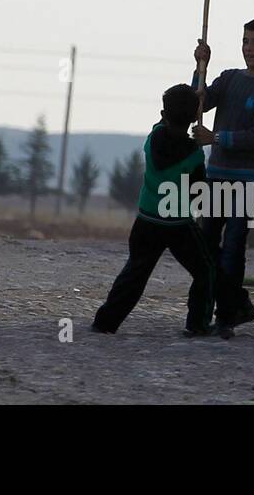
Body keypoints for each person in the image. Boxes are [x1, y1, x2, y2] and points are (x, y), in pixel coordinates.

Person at [91, 84, 216, 337]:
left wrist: (196, 79)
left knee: (134, 274)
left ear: (163, 113)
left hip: (146, 221)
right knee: (206, 270)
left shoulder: (153, 137)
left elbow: (174, 112)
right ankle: (198, 324)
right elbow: (199, 194)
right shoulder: (194, 156)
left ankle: (105, 322)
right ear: (195, 117)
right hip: (179, 225)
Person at [191, 18, 254, 339]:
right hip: (217, 175)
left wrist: (215, 138)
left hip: (248, 180)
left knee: (233, 247)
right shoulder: (229, 78)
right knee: (205, 247)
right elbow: (198, 102)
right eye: (246, 41)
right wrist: (200, 65)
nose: (249, 48)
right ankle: (233, 304)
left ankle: (227, 316)